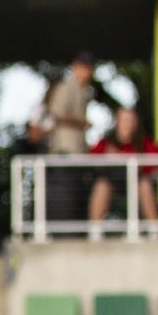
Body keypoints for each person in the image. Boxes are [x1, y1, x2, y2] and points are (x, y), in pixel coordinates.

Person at [41, 52, 97, 225]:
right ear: (75, 68)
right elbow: (55, 116)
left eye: (88, 68)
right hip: (64, 150)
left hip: (78, 151)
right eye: (82, 67)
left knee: (76, 195)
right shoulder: (66, 87)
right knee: (64, 196)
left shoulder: (85, 91)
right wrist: (82, 122)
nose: (86, 72)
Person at [87, 106, 158, 235]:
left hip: (137, 182)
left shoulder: (144, 143)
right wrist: (107, 157)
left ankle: (154, 230)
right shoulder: (106, 143)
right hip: (113, 183)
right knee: (102, 185)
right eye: (124, 119)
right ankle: (95, 232)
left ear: (135, 122)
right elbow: (89, 160)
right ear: (117, 121)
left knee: (145, 185)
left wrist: (138, 162)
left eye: (130, 120)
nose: (127, 123)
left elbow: (156, 163)